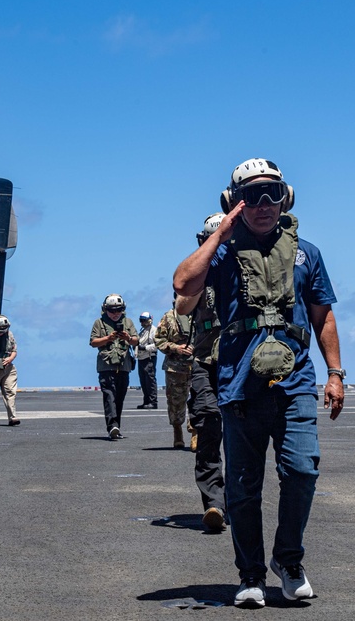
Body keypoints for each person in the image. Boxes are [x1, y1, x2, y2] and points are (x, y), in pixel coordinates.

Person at [172, 158, 345, 608]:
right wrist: (220, 233)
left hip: (295, 381)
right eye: (252, 195)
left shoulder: (307, 253)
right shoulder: (223, 254)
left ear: (286, 197)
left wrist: (335, 373)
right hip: (237, 384)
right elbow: (183, 287)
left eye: (272, 193)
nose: (264, 204)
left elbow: (322, 314)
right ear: (235, 202)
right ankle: (249, 574)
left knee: (303, 470)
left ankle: (288, 561)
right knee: (243, 488)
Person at [177, 213, 227, 532]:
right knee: (208, 422)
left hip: (242, 362)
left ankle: (237, 501)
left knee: (241, 434)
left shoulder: (248, 271)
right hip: (206, 359)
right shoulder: (197, 274)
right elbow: (182, 305)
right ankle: (214, 504)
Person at [89, 294, 139, 440]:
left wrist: (128, 338)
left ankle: (116, 426)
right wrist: (107, 339)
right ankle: (112, 426)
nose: (116, 313)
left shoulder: (128, 322)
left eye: (119, 310)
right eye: (112, 310)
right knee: (109, 395)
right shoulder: (99, 323)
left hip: (123, 366)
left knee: (119, 397)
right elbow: (93, 342)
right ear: (105, 310)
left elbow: (136, 341)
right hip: (106, 366)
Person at [156, 304, 193, 448]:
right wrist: (176, 348)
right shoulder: (169, 317)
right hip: (175, 368)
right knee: (176, 402)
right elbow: (159, 339)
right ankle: (177, 430)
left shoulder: (203, 314)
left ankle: (196, 431)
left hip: (199, 364)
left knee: (201, 399)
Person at [135, 312, 159, 409]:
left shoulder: (154, 331)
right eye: (141, 320)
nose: (142, 322)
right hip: (141, 358)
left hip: (149, 358)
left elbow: (158, 345)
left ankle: (153, 402)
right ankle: (146, 401)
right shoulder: (142, 331)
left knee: (150, 380)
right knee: (143, 381)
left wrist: (145, 348)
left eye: (144, 320)